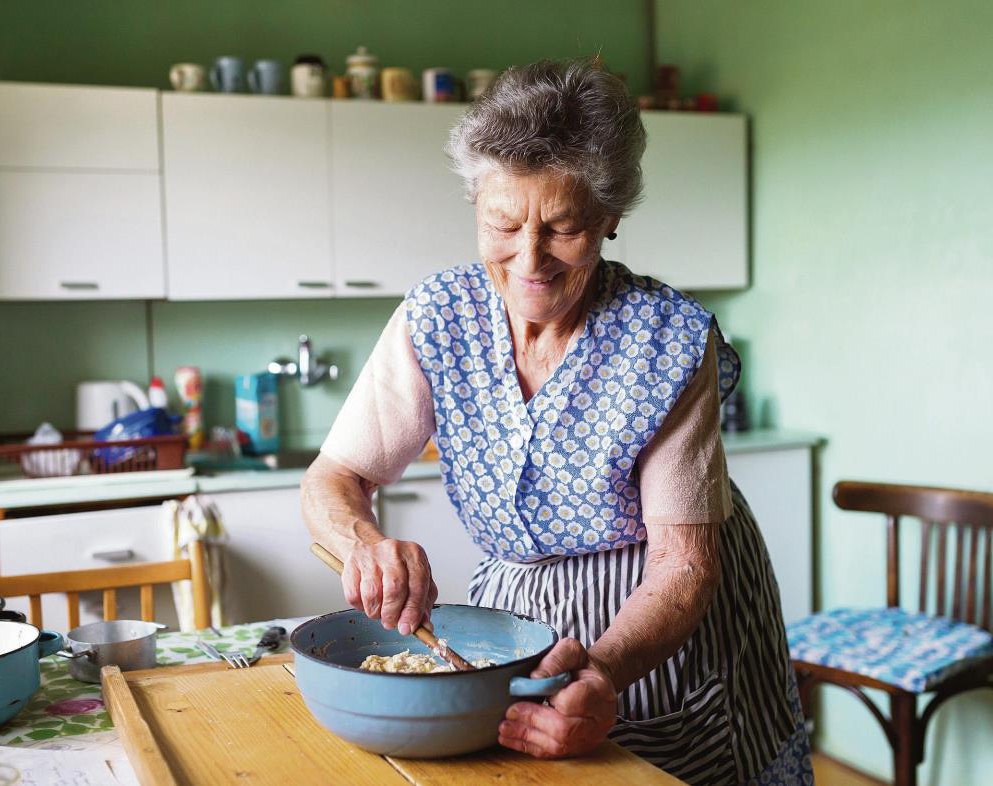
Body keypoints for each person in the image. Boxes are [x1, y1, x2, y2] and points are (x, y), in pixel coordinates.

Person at [300, 58, 812, 785]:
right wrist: (364, 542)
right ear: (476, 202)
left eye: (564, 228)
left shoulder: (668, 340)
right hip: (515, 622)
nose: (529, 259)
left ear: (610, 219)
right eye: (502, 224)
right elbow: (335, 477)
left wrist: (602, 667)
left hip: (661, 631)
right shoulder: (436, 317)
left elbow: (683, 566)